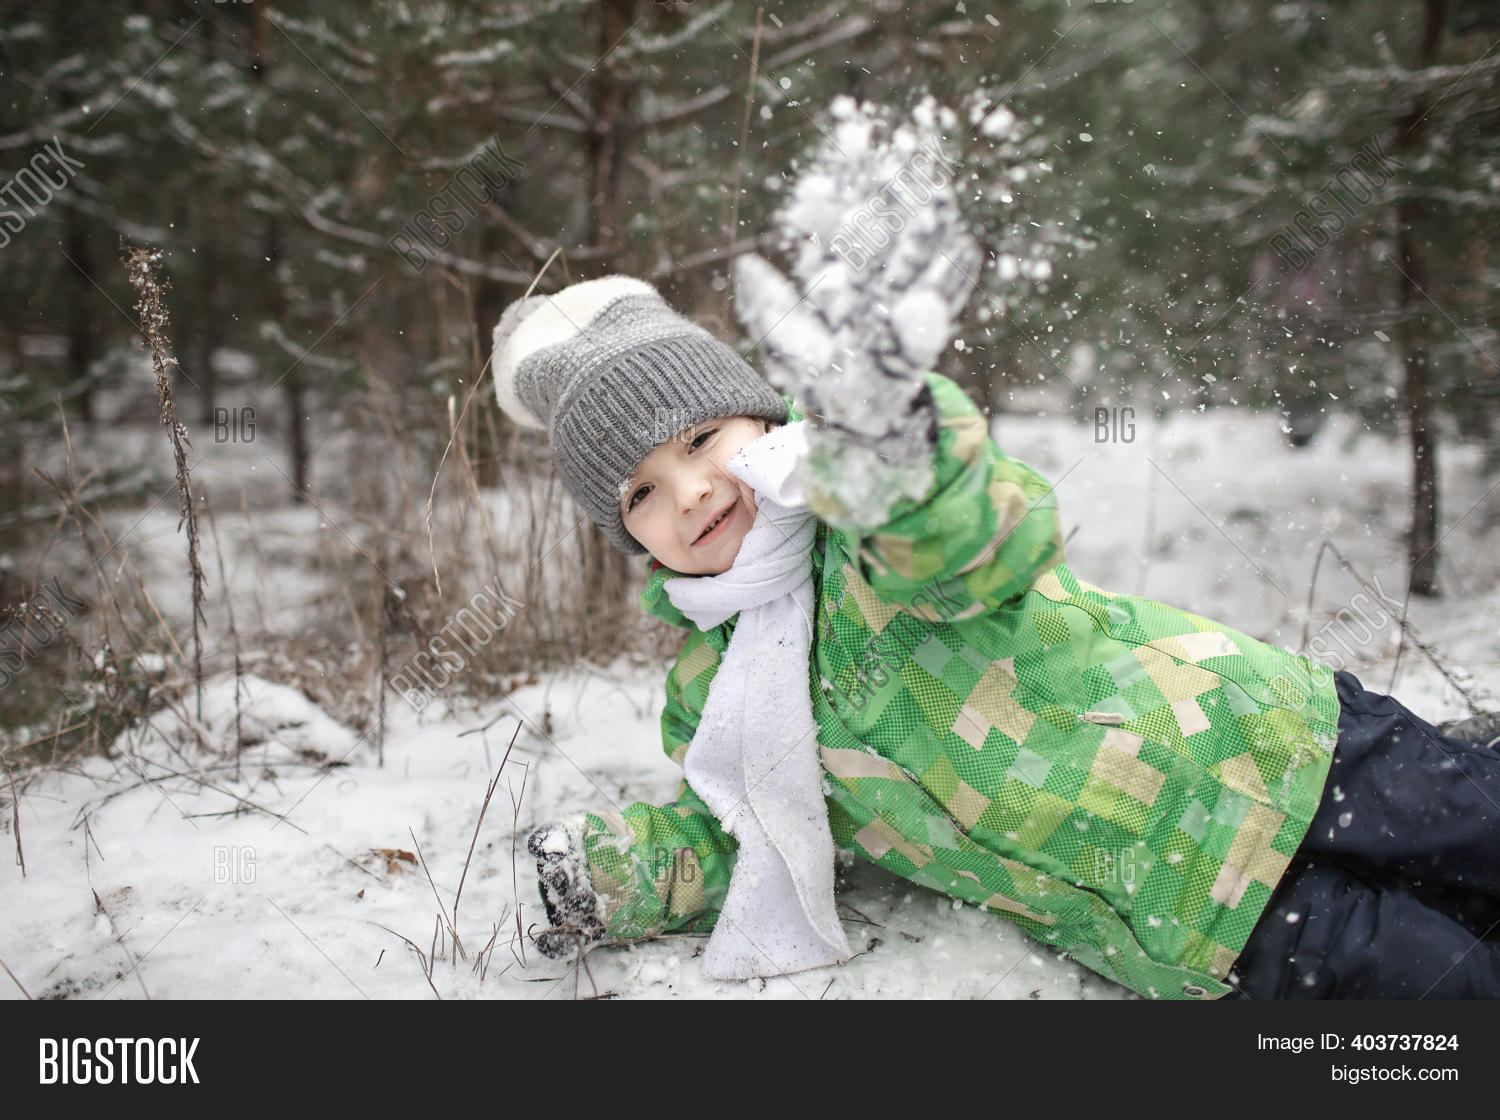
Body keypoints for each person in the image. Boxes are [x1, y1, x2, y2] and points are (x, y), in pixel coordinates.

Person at [493, 274, 1500, 999]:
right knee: (1448, 988)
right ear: (628, 534)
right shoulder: (715, 688)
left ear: (767, 421)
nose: (693, 491)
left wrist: (894, 455)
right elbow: (753, 829)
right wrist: (615, 874)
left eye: (701, 440)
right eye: (643, 493)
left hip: (1285, 746)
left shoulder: (872, 532)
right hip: (1195, 916)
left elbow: (971, 533)